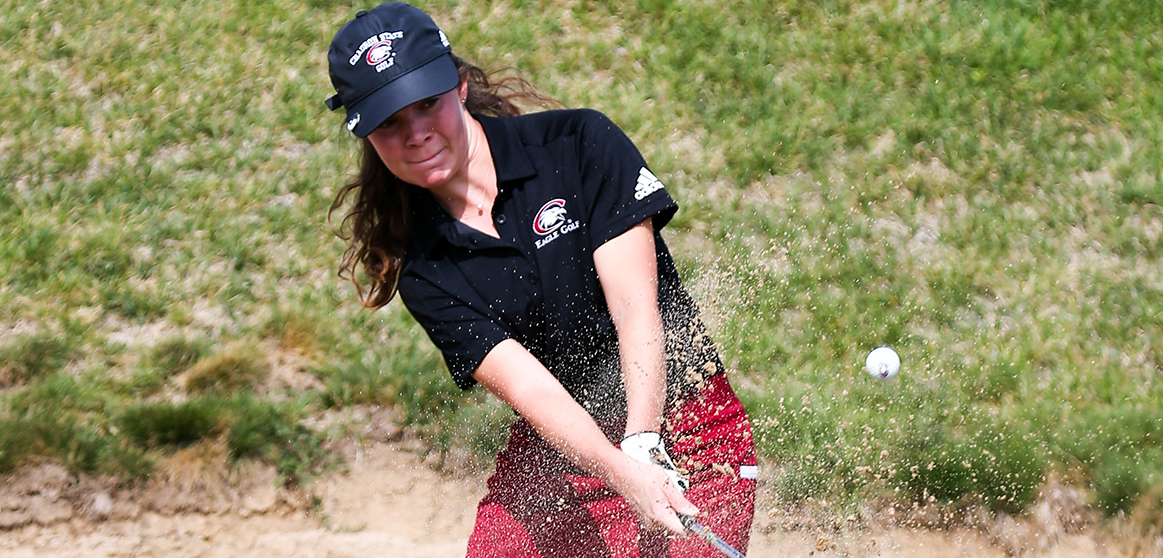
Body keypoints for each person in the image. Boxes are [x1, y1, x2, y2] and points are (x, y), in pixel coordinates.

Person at [322, 3, 757, 556]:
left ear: (458, 86)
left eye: (427, 103)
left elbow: (634, 308)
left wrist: (643, 445)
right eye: (389, 123)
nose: (416, 134)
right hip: (563, 450)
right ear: (366, 136)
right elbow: (532, 390)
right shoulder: (426, 271)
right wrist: (620, 470)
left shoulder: (578, 143)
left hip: (690, 430)